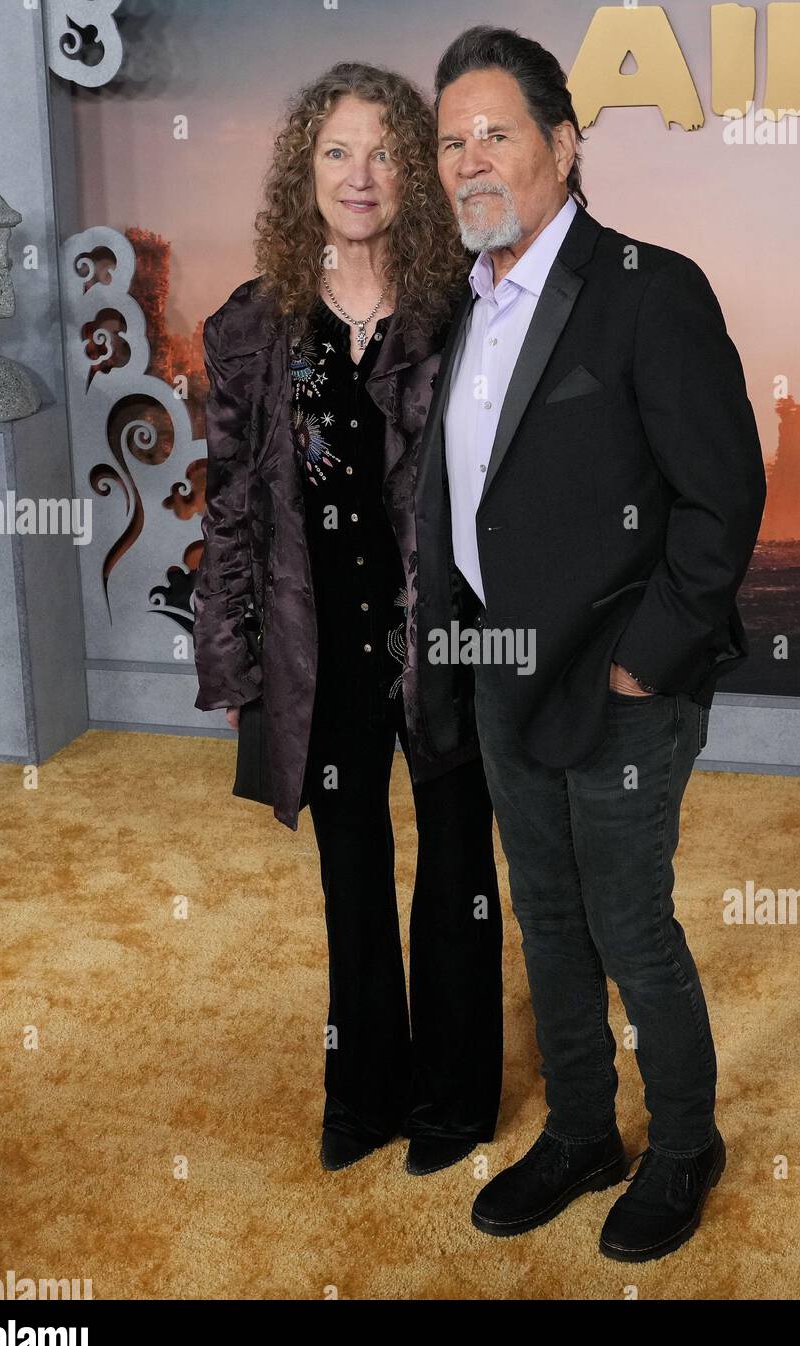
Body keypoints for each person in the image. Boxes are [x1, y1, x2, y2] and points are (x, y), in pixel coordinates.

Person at [414, 26, 766, 1258]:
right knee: (547, 919)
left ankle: (683, 1145)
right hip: (502, 667)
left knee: (628, 924)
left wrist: (641, 658)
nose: (471, 160)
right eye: (451, 140)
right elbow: (472, 491)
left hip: (619, 678)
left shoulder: (647, 289)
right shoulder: (464, 301)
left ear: (563, 144)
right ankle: (579, 1132)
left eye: (495, 132)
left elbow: (722, 498)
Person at [193, 63, 503, 1177]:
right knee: (353, 867)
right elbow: (230, 506)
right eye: (335, 151)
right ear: (303, 173)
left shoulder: (463, 313)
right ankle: (363, 1088)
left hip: (443, 638)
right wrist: (233, 664)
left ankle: (456, 1097)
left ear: (412, 173)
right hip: (314, 643)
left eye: (382, 151)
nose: (359, 174)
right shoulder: (250, 329)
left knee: (459, 860)